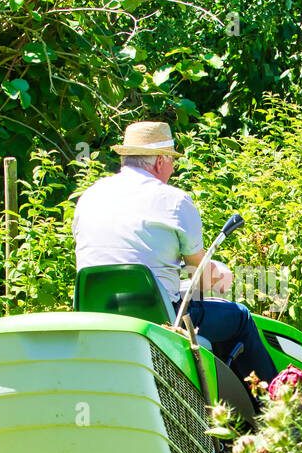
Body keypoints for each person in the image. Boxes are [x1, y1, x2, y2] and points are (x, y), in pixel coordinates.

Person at [72, 121, 279, 387]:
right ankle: (280, 414)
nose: (173, 168)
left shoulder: (89, 197)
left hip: (96, 317)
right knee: (239, 318)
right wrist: (221, 275)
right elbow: (204, 280)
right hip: (159, 318)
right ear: (160, 161)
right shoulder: (174, 201)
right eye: (172, 160)